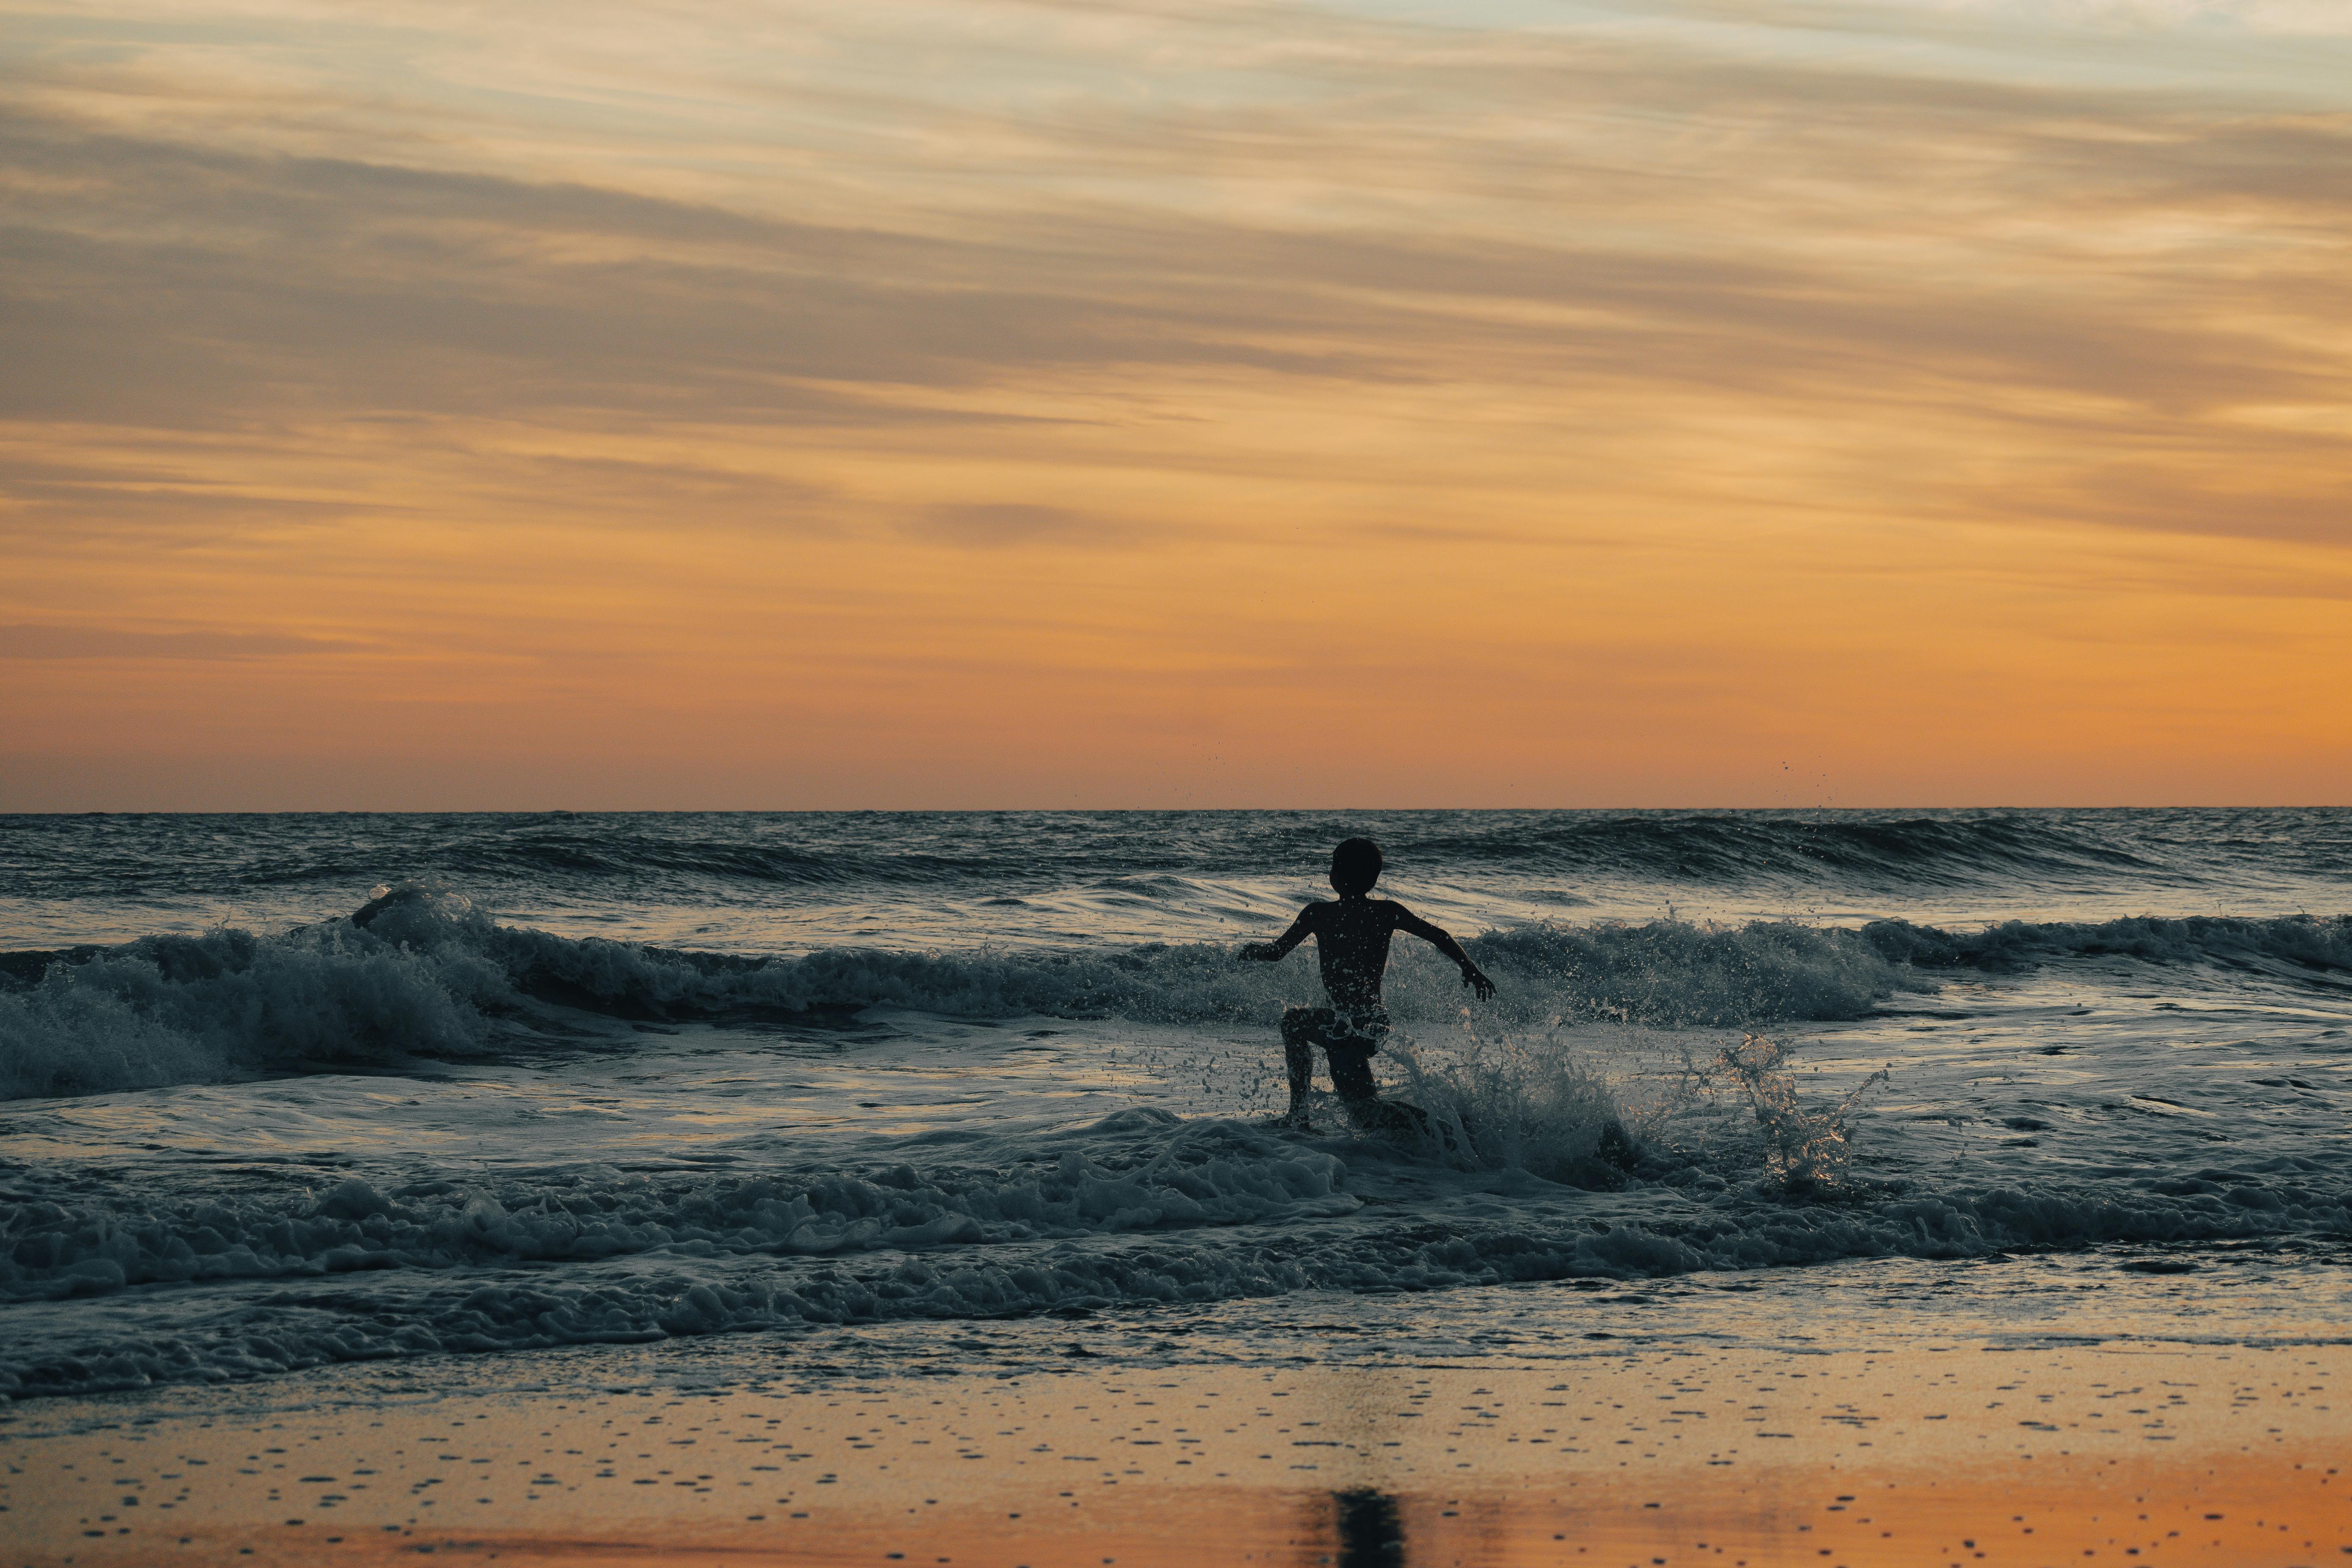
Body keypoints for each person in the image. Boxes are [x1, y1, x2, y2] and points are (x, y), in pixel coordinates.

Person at [1239, 836, 1494, 1133]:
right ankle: (1299, 1117)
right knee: (1295, 1024)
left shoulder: (1318, 914)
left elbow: (1276, 953)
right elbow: (1439, 935)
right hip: (1367, 1022)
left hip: (1349, 1026)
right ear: (1373, 878)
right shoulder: (1385, 912)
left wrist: (1251, 952)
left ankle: (1447, 1129)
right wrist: (1470, 968)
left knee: (1364, 1113)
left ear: (1336, 875)